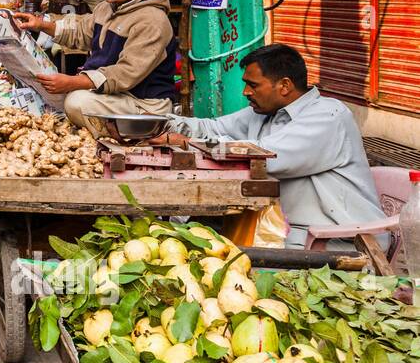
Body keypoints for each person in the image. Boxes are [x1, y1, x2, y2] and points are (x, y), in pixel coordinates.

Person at [157, 44, 384, 248]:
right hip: (283, 230)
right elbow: (212, 128)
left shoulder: (328, 116)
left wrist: (187, 143)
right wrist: (158, 124)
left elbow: (265, 154)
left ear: (284, 85)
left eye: (253, 85)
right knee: (191, 235)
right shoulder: (264, 114)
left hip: (339, 238)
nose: (246, 92)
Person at [9, 0, 176, 134]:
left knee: (76, 102)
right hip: (114, 97)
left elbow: (124, 74)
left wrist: (73, 82)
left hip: (144, 104)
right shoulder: (108, 7)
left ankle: (131, 135)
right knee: (64, 97)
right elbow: (82, 31)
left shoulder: (152, 21)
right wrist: (40, 24)